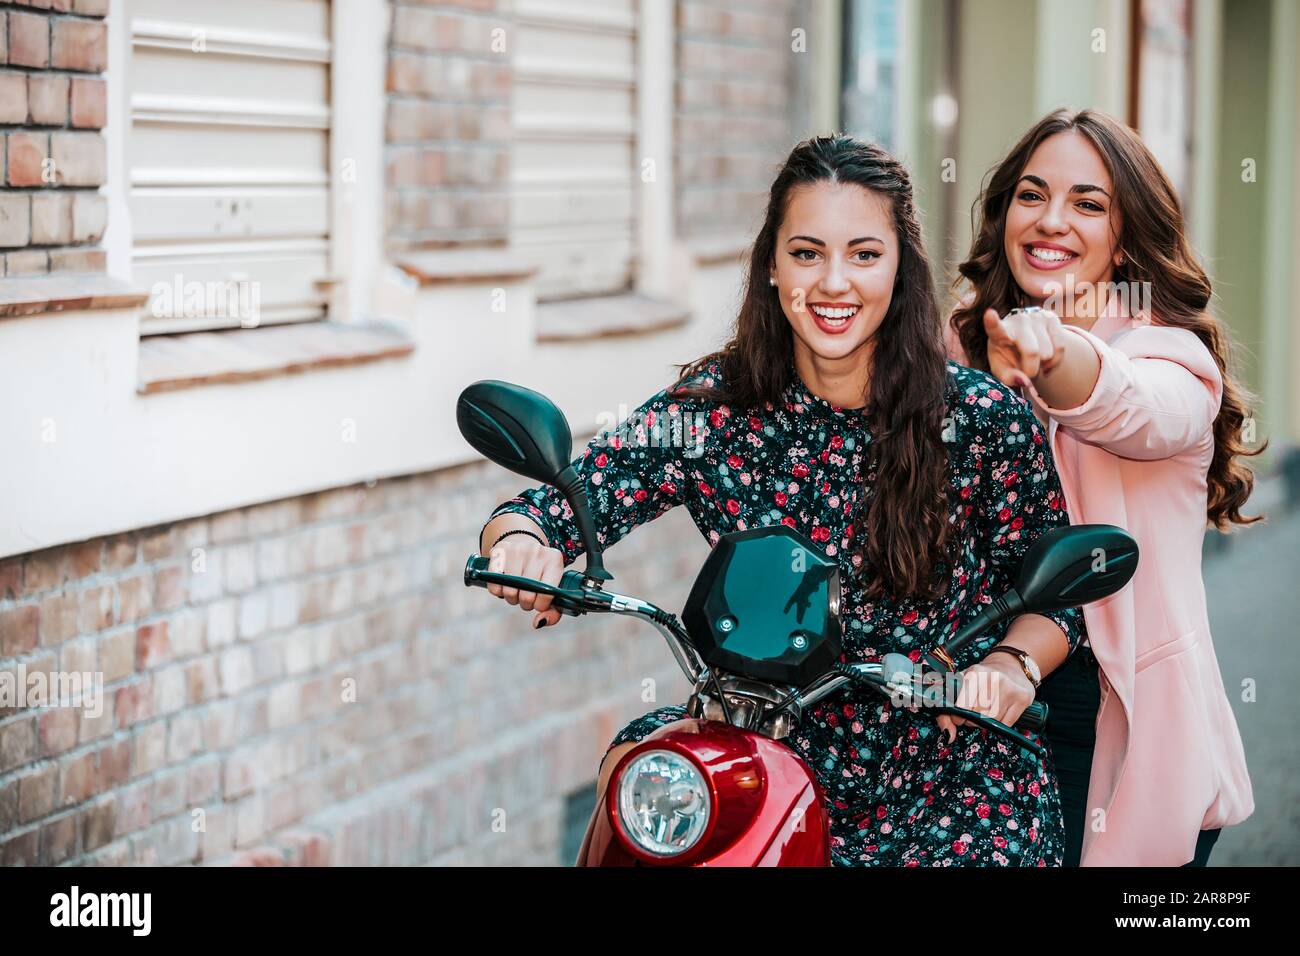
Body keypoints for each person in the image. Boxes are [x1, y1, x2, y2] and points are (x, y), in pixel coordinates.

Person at [477, 135, 1086, 866]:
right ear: (771, 264)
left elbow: (1057, 600)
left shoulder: (982, 420)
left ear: (902, 267)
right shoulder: (713, 409)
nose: (834, 283)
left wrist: (1009, 667)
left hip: (946, 759)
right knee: (634, 777)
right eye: (806, 253)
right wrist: (519, 544)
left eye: (863, 254)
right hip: (758, 741)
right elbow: (563, 501)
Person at [946, 108, 1258, 867]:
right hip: (962, 701)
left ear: (1126, 238)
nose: (1051, 221)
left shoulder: (1172, 362)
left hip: (1105, 723)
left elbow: (1128, 404)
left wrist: (1054, 352)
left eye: (1088, 203)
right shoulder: (958, 351)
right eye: (1031, 194)